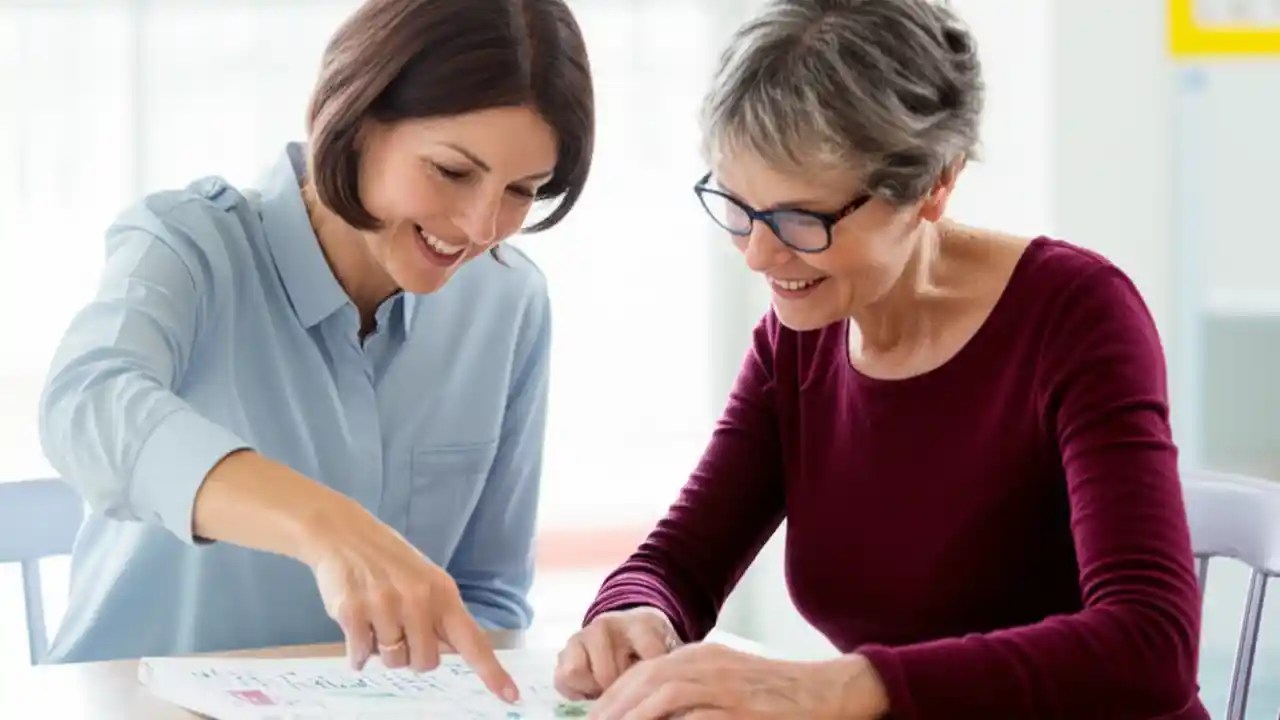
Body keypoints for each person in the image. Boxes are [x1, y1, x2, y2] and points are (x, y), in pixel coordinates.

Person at [555, 1, 1209, 718]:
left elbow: (1151, 648)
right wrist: (636, 614)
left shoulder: (1075, 315)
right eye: (738, 206)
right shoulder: (800, 338)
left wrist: (835, 687)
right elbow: (679, 561)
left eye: (801, 220)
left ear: (935, 184)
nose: (757, 254)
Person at [38, 0, 592, 700]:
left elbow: (486, 599)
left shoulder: (508, 305)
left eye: (522, 191)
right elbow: (87, 406)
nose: (483, 226)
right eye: (452, 172)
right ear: (354, 122)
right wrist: (324, 526)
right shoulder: (188, 247)